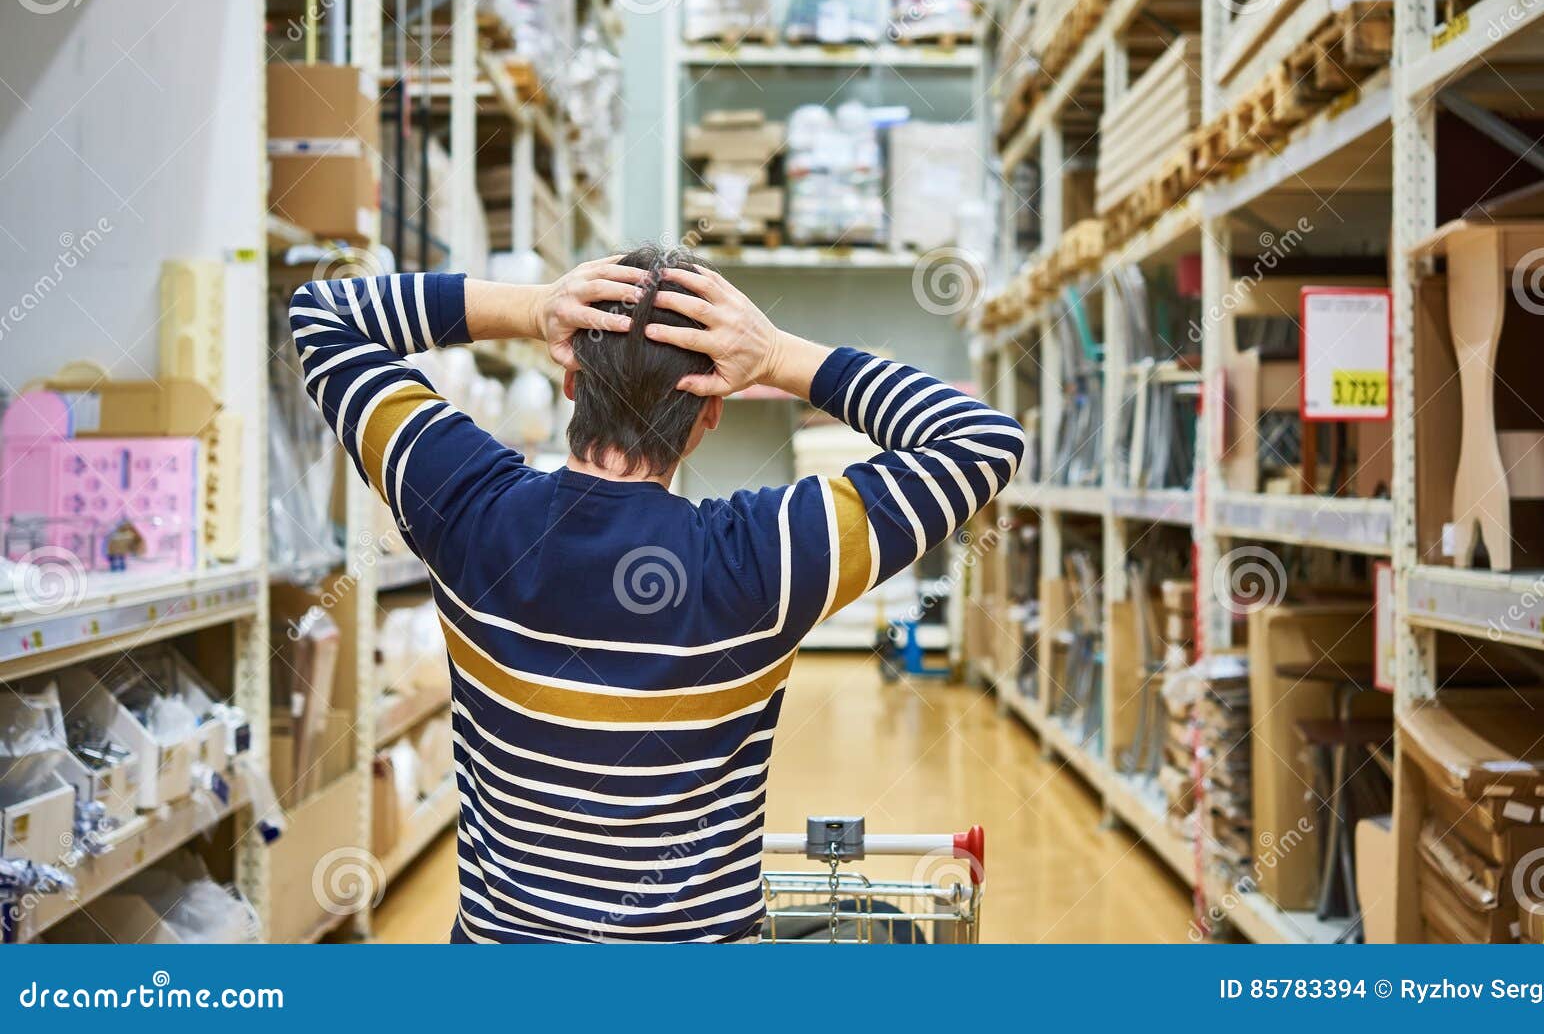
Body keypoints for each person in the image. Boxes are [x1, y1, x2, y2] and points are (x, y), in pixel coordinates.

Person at [289, 244, 1024, 943]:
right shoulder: (762, 559)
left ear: (571, 380)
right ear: (710, 410)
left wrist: (536, 307)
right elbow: (982, 440)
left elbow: (323, 313)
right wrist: (776, 356)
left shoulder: (469, 506)